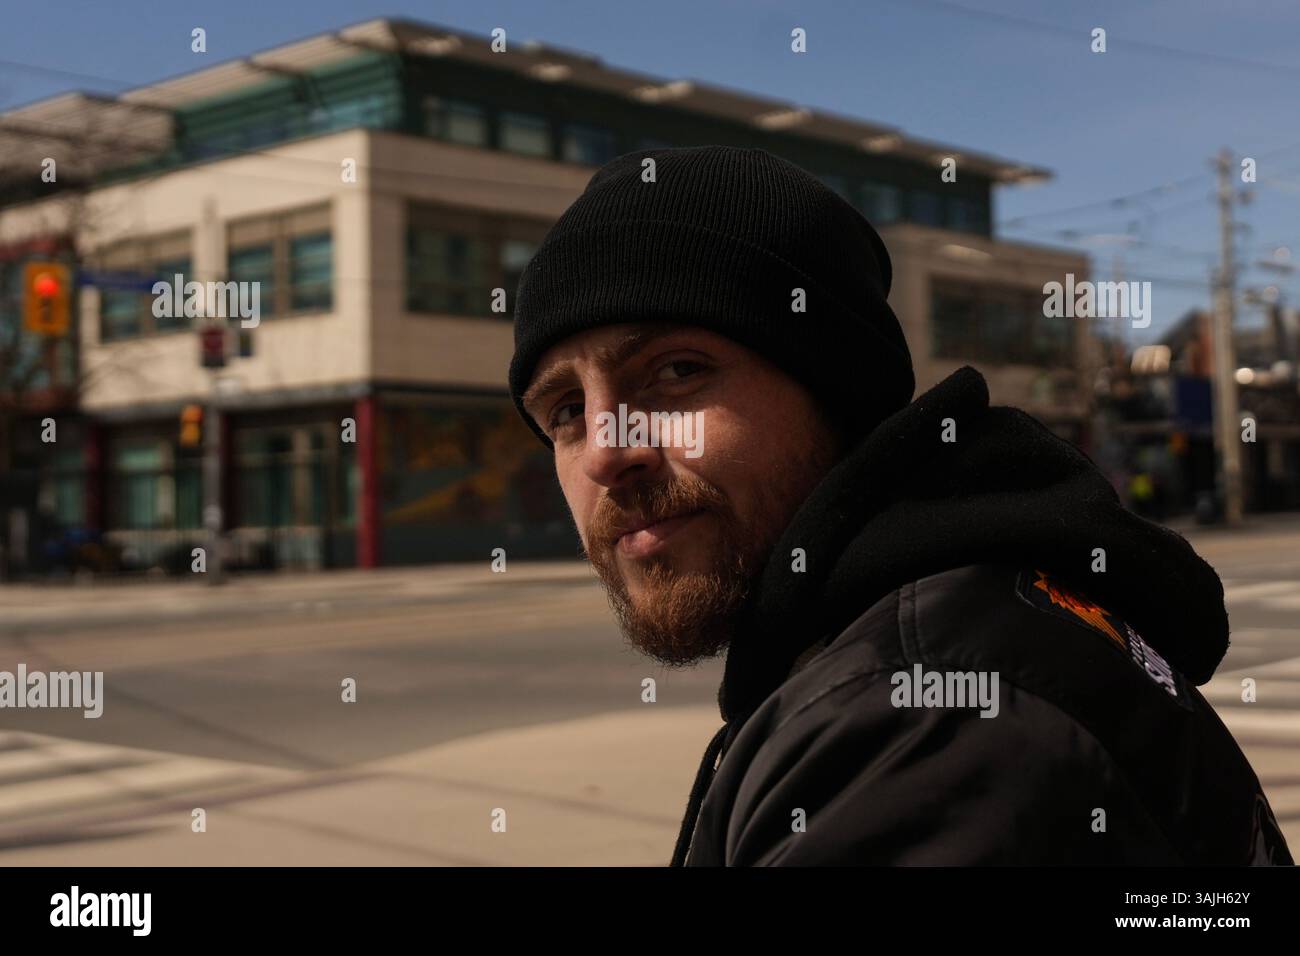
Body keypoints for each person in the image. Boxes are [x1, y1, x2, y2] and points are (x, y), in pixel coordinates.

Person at [507, 145, 1292, 866]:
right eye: (566, 410)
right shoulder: (935, 642)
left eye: (677, 371)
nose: (609, 452)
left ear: (837, 392)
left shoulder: (920, 722)